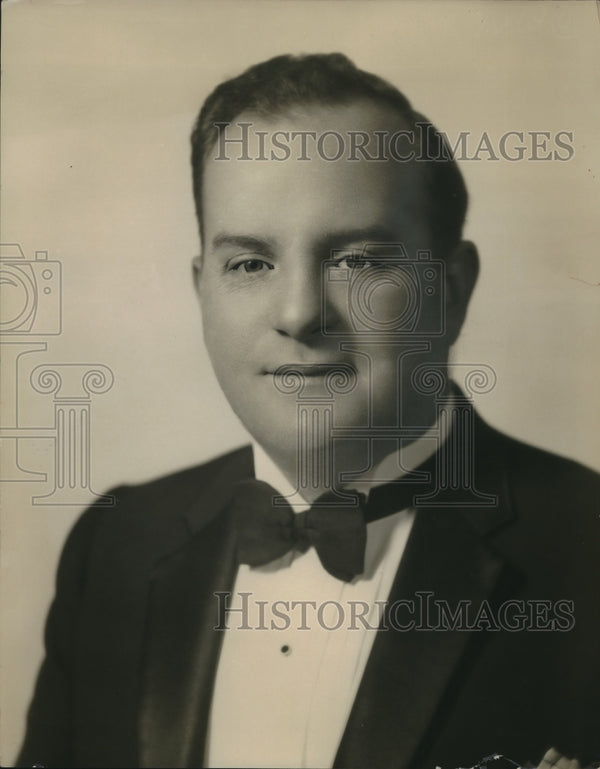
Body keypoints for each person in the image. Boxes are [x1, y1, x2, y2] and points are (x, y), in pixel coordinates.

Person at [17, 54, 600, 769]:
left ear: (450, 292)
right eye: (250, 263)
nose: (298, 314)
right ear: (202, 292)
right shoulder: (114, 548)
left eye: (356, 260)